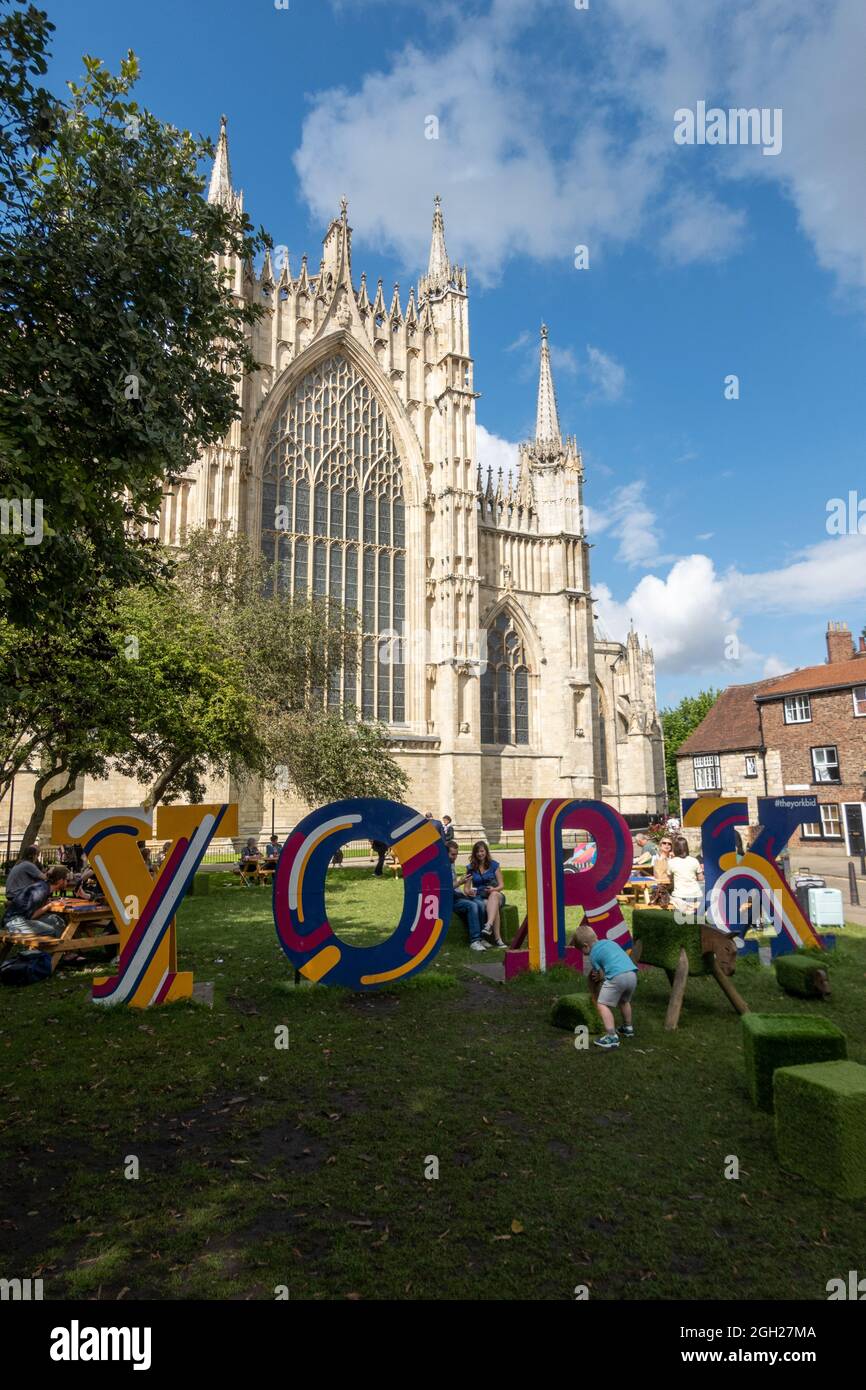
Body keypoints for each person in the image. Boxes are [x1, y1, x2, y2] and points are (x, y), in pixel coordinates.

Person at [575, 923, 637, 1050]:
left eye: (582, 950)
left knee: (602, 1004)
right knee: (624, 1001)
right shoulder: (610, 942)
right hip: (631, 974)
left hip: (617, 977)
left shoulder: (593, 955)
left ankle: (611, 1036)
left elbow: (601, 974)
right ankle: (628, 1027)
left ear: (586, 946)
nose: (583, 953)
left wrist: (599, 977)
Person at [466, 841, 508, 948]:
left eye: (482, 851)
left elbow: (502, 885)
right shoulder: (471, 868)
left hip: (496, 894)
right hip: (481, 896)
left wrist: (494, 889)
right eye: (477, 852)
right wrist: (469, 892)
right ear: (474, 853)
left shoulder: (494, 865)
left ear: (486, 852)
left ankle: (488, 925)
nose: (480, 854)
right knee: (492, 906)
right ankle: (498, 940)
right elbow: (466, 888)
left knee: (494, 896)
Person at [447, 841, 488, 951]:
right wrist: (460, 882)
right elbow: (445, 888)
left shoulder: (451, 863)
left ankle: (481, 938)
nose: (455, 857)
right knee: (472, 905)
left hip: (457, 895)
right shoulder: (441, 867)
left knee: (480, 904)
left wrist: (465, 888)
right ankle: (475, 940)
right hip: (449, 899)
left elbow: (454, 884)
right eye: (453, 854)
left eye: (456, 854)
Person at [3, 847, 46, 923]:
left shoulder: (19, 863)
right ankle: (37, 920)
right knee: (43, 895)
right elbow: (45, 878)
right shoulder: (28, 865)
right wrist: (51, 872)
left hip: (11, 894)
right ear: (31, 855)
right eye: (37, 855)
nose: (37, 858)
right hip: (17, 895)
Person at [668, 834, 704, 915]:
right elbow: (701, 878)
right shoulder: (694, 860)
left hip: (679, 895)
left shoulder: (671, 862)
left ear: (675, 849)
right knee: (695, 918)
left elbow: (669, 878)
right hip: (696, 894)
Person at [650, 834, 673, 906]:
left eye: (669, 844)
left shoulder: (673, 858)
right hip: (662, 883)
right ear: (660, 845)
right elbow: (658, 874)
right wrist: (662, 858)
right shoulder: (656, 858)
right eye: (664, 843)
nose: (667, 845)